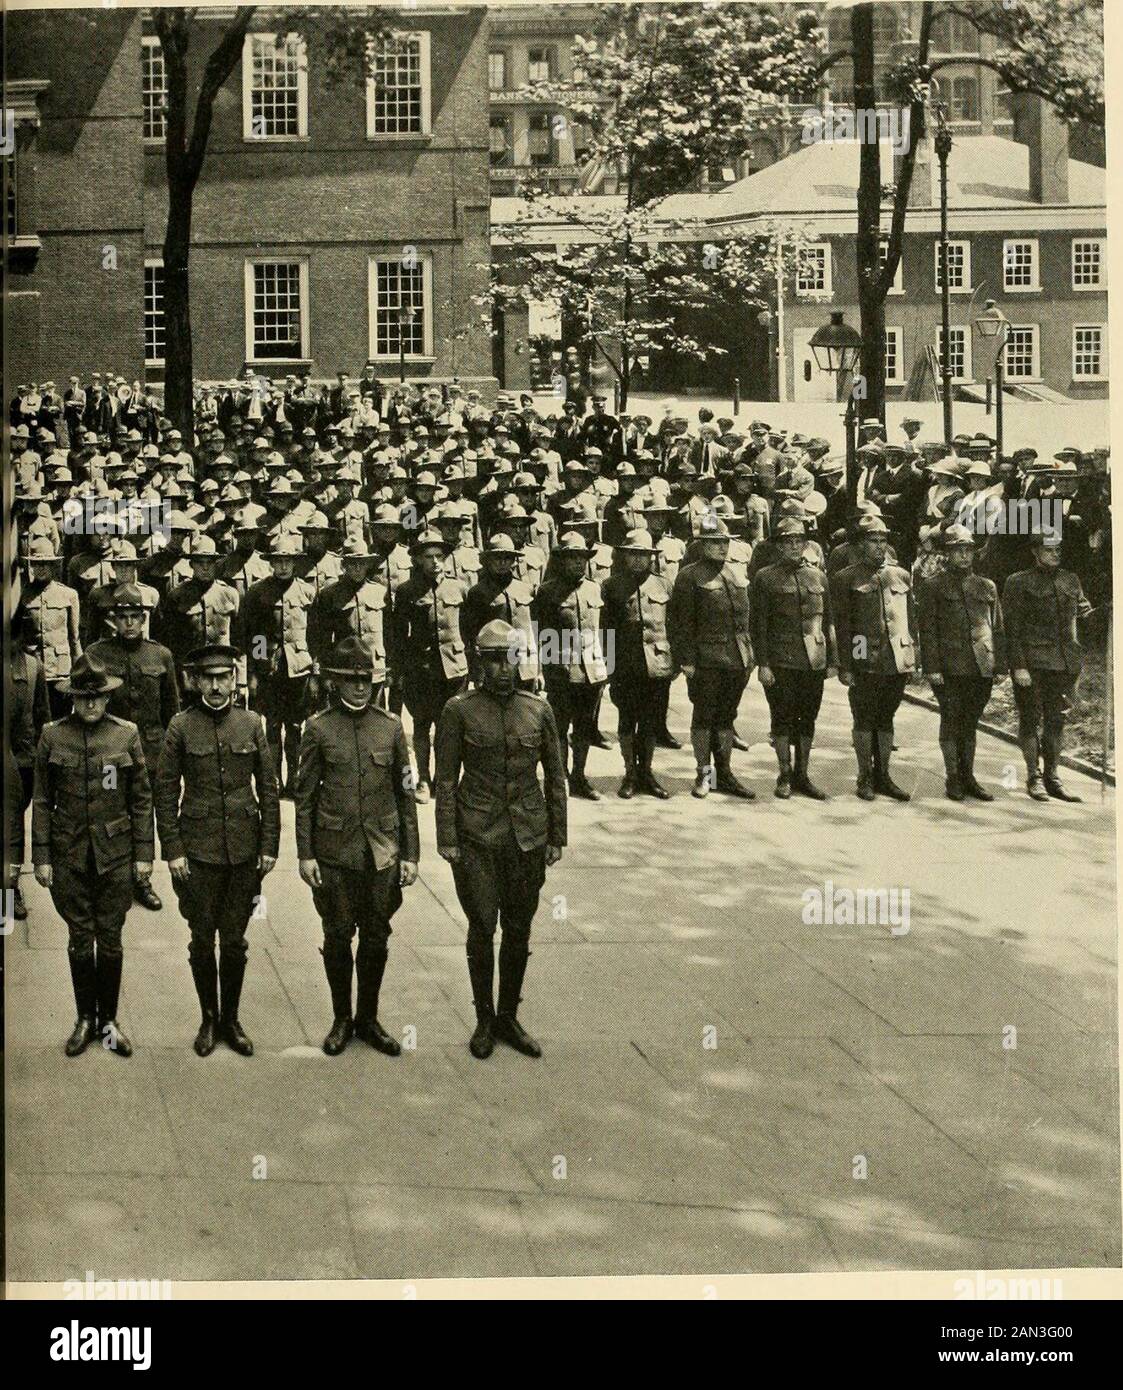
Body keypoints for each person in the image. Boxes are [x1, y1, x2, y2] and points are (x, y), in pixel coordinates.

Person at [434, 619, 566, 1060]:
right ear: (478, 662)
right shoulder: (459, 710)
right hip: (477, 837)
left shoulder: (539, 709)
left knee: (519, 928)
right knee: (482, 926)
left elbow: (556, 777)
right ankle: (484, 1018)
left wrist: (556, 835)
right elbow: (445, 779)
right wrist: (448, 838)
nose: (504, 669)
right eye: (493, 660)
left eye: (511, 658)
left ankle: (509, 1016)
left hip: (527, 836)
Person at [295, 636, 419, 1056]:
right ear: (335, 682)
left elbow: (406, 794)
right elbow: (305, 797)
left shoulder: (390, 727)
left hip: (382, 851)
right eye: (351, 680)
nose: (360, 688)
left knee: (377, 935)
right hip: (335, 852)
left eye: (366, 680)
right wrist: (306, 853)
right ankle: (341, 1018)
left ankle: (368, 1017)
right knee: (336, 933)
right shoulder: (318, 728)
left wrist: (411, 854)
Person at [155, 645, 279, 1056]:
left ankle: (232, 1019)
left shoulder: (252, 724)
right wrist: (173, 850)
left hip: (244, 851)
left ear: (234, 679)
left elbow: (269, 789)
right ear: (194, 681)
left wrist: (269, 846)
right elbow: (166, 792)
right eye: (207, 678)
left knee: (236, 940)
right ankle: (209, 1018)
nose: (214, 685)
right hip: (198, 852)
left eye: (223, 677)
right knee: (201, 938)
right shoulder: (181, 727)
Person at [32, 652, 155, 1058]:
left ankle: (109, 1022)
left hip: (115, 855)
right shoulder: (52, 736)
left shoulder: (126, 735)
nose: (90, 705)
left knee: (113, 939)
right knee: (80, 940)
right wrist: (42, 856)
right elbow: (42, 797)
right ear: (72, 698)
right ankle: (85, 1018)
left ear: (107, 698)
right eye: (83, 698)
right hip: (69, 855)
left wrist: (143, 854)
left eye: (97, 698)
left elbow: (140, 799)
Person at [87, 583, 181, 909]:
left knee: (144, 813)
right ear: (113, 619)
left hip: (151, 754)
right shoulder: (97, 655)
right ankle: (113, 877)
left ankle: (142, 879)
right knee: (112, 809)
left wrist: (173, 758)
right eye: (122, 617)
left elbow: (173, 713)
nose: (128, 623)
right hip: (112, 754)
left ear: (144, 619)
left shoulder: (161, 655)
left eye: (134, 617)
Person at [1001, 530, 1093, 802]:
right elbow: (1012, 629)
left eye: (1058, 549)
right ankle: (1033, 776)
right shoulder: (1018, 582)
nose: (1055, 553)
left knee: (1057, 721)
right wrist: (1018, 666)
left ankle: (1053, 777)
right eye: (1049, 549)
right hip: (1033, 663)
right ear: (1035, 551)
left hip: (1065, 664)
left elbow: (1082, 621)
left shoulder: (1071, 580)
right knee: (1030, 719)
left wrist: (1094, 613)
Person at [830, 515, 916, 802]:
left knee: (887, 718)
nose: (879, 547)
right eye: (873, 541)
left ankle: (884, 776)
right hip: (866, 657)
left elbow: (909, 620)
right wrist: (851, 665)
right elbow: (845, 626)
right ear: (859, 545)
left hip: (896, 659)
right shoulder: (847, 577)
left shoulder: (901, 575)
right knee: (864, 719)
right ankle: (865, 775)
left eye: (883, 541)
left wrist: (910, 657)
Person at [667, 518, 755, 800]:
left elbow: (745, 619)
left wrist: (749, 656)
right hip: (706, 659)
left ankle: (725, 774)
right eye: (715, 542)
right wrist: (687, 660)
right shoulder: (690, 576)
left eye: (725, 542)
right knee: (704, 717)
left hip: (737, 659)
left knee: (727, 717)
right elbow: (681, 623)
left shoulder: (735, 572)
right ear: (703, 545)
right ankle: (705, 775)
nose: (721, 547)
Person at [917, 525, 1004, 802]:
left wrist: (1000, 665)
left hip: (981, 666)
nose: (964, 556)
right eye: (958, 551)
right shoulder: (933, 586)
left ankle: (969, 776)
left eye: (968, 550)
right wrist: (932, 667)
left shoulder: (986, 586)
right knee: (951, 720)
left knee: (970, 723)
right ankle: (953, 777)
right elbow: (927, 630)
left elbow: (997, 627)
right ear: (947, 554)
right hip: (950, 667)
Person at [751, 518, 836, 799]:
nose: (794, 546)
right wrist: (763, 663)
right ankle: (784, 774)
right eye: (788, 541)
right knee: (782, 718)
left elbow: (828, 621)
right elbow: (758, 624)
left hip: (813, 660)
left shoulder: (818, 577)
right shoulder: (765, 577)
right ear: (778, 545)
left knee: (808, 719)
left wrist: (832, 659)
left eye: (799, 541)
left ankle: (803, 774)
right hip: (781, 660)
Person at [388, 528, 470, 803]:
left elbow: (468, 629)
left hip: (454, 668)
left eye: (439, 556)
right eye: (428, 556)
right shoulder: (407, 591)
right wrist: (399, 671)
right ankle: (422, 779)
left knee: (451, 729)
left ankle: (446, 781)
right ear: (417, 560)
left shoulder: (459, 587)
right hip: (420, 669)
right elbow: (398, 635)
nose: (435, 561)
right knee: (422, 727)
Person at [532, 532, 610, 801]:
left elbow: (604, 630)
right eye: (572, 558)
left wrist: (605, 666)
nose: (578, 563)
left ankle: (579, 776)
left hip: (592, 670)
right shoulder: (547, 592)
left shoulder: (595, 588)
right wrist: (544, 671)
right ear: (562, 561)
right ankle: (559, 778)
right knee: (558, 728)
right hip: (562, 670)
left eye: (582, 558)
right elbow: (541, 634)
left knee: (584, 727)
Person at [242, 533, 318, 795]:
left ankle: (294, 778)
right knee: (272, 725)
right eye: (278, 561)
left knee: (296, 726)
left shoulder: (308, 592)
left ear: (295, 562)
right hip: (271, 670)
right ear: (271, 563)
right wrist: (257, 668)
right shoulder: (257, 593)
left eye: (288, 561)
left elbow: (315, 635)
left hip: (299, 669)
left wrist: (315, 669)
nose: (283, 566)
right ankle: (273, 778)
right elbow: (254, 635)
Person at [600, 529, 673, 799]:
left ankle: (647, 773)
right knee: (627, 720)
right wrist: (607, 668)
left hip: (657, 664)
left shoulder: (664, 585)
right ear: (625, 557)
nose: (639, 560)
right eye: (633, 555)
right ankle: (630, 773)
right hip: (625, 665)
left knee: (651, 721)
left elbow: (674, 625)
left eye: (643, 555)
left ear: (651, 557)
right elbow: (604, 630)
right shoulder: (611, 586)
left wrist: (673, 663)